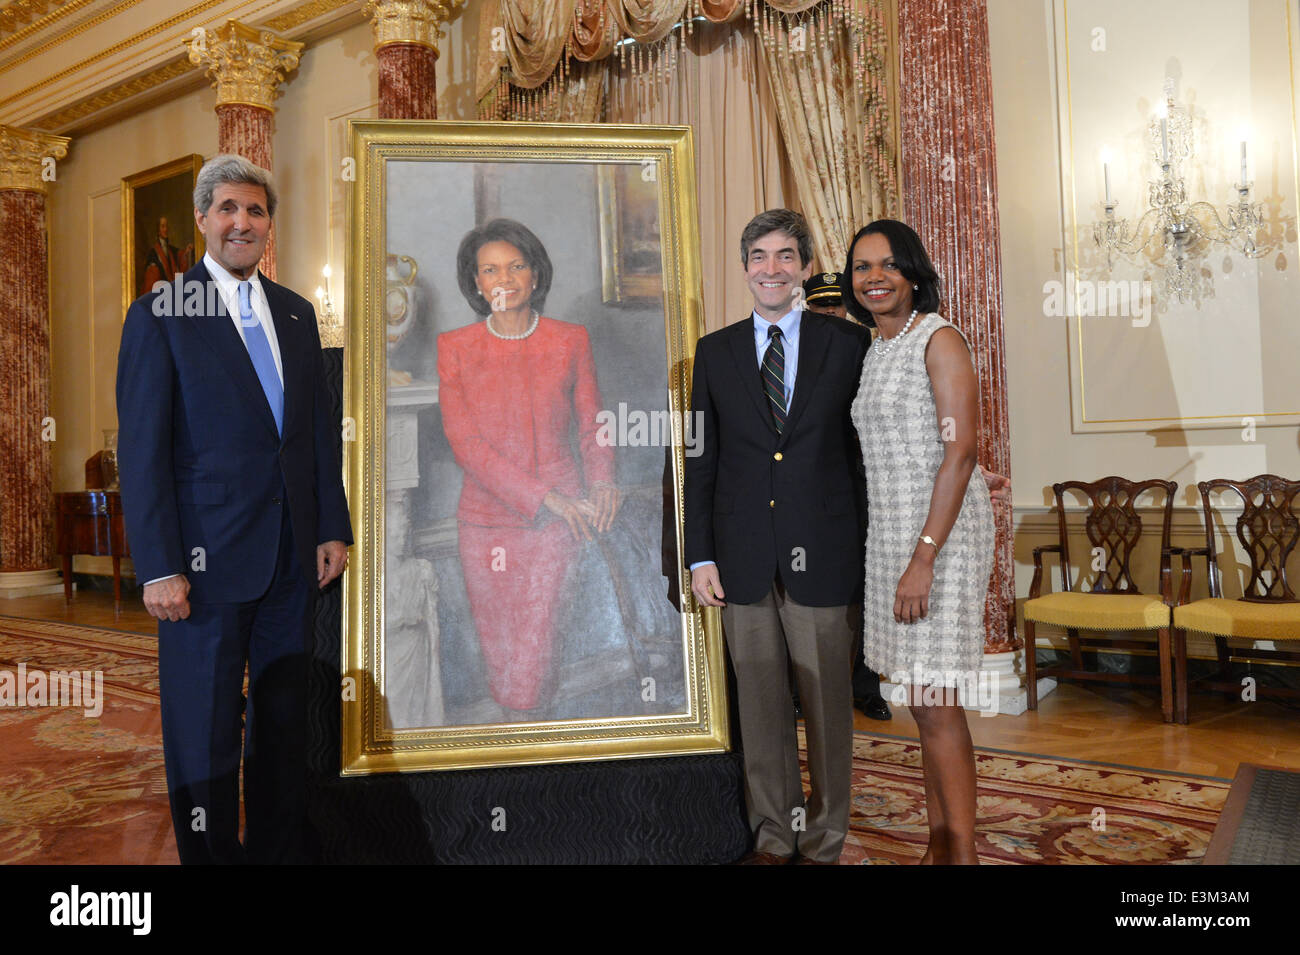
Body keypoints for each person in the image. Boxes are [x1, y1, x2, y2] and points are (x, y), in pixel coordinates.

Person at [116, 154, 352, 864]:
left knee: (282, 723)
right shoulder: (161, 312)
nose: (241, 223)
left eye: (254, 211)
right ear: (201, 220)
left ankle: (278, 851)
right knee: (204, 725)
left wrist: (332, 526)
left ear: (268, 225)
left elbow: (314, 431)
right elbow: (144, 452)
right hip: (200, 567)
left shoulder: (296, 312)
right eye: (227, 209)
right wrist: (158, 565)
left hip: (290, 558)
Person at [685, 209, 868, 864]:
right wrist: (699, 554)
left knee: (826, 713)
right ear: (744, 269)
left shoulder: (848, 346)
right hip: (740, 561)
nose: (771, 268)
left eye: (785, 256)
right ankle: (773, 833)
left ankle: (823, 839)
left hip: (826, 555)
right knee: (760, 712)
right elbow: (701, 459)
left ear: (806, 267)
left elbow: (861, 459)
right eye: (759, 256)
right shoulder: (714, 351)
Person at [845, 218, 995, 865]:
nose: (873, 277)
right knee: (920, 702)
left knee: (935, 702)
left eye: (886, 265)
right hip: (894, 536)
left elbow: (960, 452)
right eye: (861, 268)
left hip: (941, 539)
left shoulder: (939, 339)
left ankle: (960, 852)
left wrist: (925, 556)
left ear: (912, 272)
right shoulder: (876, 347)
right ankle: (939, 843)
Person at [437, 218, 619, 720]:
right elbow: (466, 444)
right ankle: (515, 765)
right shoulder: (455, 347)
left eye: (516, 266)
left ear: (535, 275)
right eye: (490, 270)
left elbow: (594, 423)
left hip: (560, 523)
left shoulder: (570, 339)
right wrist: (543, 495)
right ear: (475, 283)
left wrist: (601, 478)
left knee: (537, 649)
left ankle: (532, 761)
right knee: (501, 653)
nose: (505, 279)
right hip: (484, 523)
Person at [800, 270, 891, 722]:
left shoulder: (868, 350)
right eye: (822, 306)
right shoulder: (790, 354)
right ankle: (806, 688)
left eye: (837, 306)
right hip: (810, 490)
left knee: (866, 587)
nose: (831, 313)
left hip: (865, 486)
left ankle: (867, 684)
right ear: (808, 309)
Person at [138, 215, 192, 296]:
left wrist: (186, 252)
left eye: (166, 226)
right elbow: (151, 281)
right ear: (158, 230)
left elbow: (180, 257)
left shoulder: (171, 250)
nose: (166, 229)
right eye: (163, 226)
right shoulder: (153, 253)